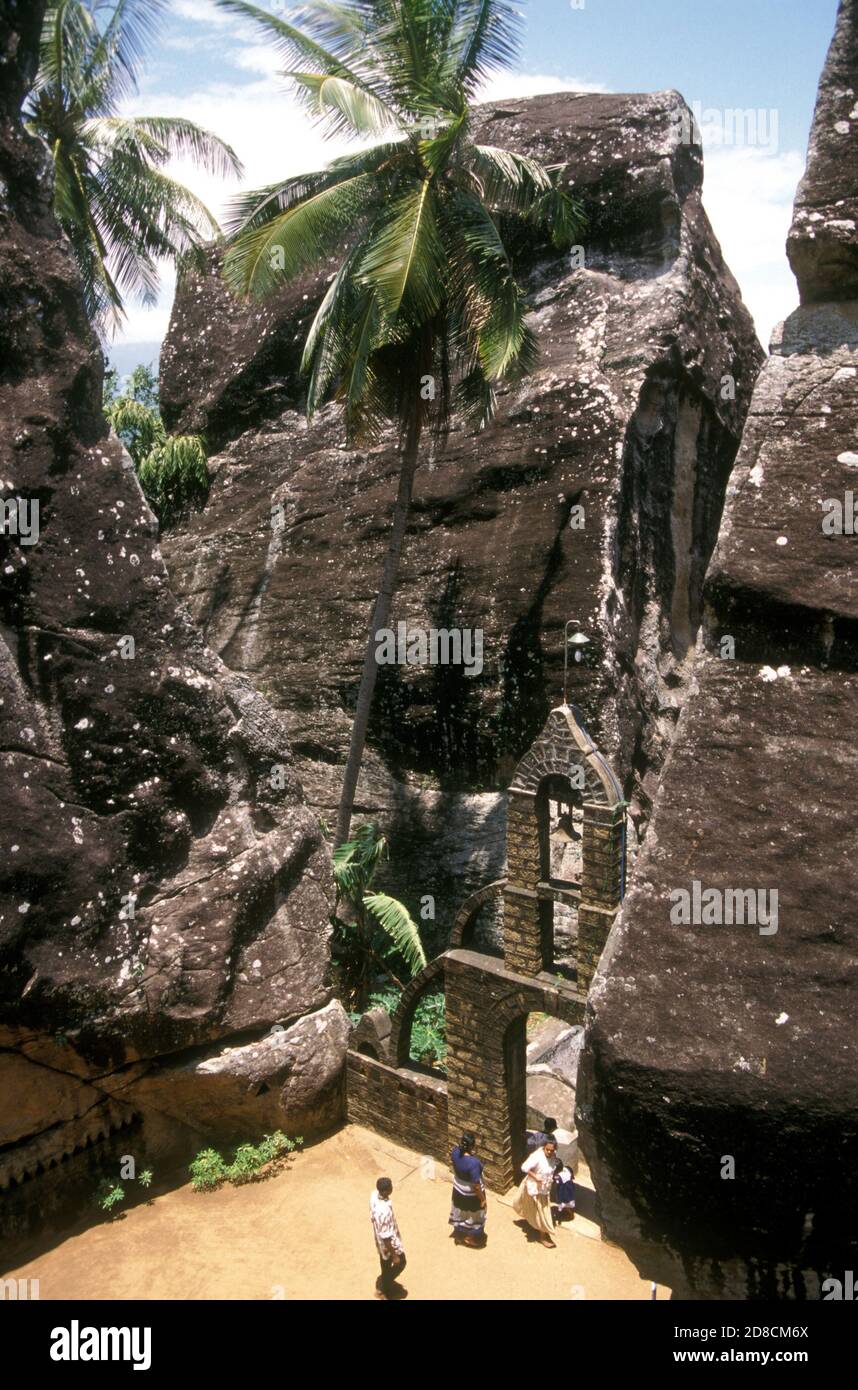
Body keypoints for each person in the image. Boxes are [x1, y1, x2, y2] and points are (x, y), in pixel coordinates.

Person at [513, 1138, 558, 1248]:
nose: (549, 1152)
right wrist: (535, 1177)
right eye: (547, 1150)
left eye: (552, 1150)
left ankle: (536, 1226)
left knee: (539, 1210)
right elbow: (524, 1167)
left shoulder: (553, 1155)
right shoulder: (537, 1156)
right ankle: (543, 1236)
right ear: (544, 1147)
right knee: (541, 1212)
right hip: (535, 1188)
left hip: (545, 1189)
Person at [370, 1176, 407, 1299]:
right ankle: (383, 1288)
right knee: (401, 1263)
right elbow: (386, 1237)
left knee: (385, 1265)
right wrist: (395, 1255)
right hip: (388, 1244)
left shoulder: (374, 1195)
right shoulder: (383, 1211)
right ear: (385, 1191)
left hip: (380, 1242)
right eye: (390, 1187)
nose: (392, 1188)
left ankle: (385, 1282)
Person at [449, 1131, 487, 1247]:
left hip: (458, 1189)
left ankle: (460, 1233)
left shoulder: (455, 1152)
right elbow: (476, 1186)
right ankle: (469, 1238)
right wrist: (482, 1199)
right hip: (470, 1194)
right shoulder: (473, 1163)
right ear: (472, 1146)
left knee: (461, 1212)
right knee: (475, 1215)